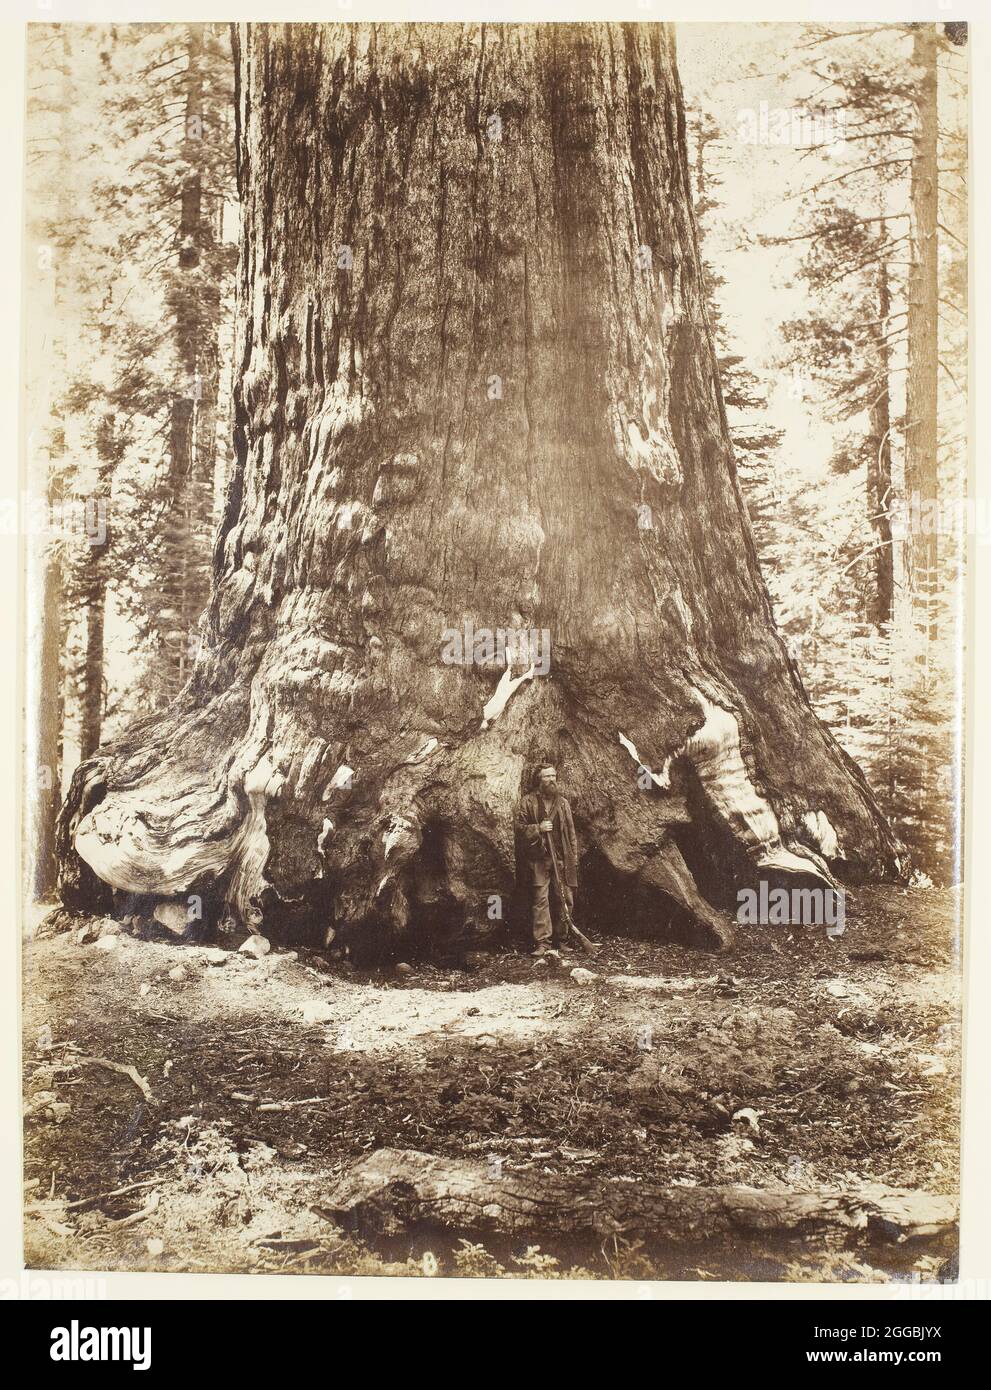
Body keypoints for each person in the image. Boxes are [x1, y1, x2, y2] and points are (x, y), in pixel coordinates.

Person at [515, 763, 579, 956]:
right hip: (539, 860)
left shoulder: (563, 803)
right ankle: (543, 943)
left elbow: (571, 833)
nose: (552, 780)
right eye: (547, 776)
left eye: (553, 776)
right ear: (539, 780)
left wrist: (573, 859)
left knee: (565, 899)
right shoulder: (528, 802)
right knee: (540, 900)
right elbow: (518, 828)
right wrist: (538, 828)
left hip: (561, 858)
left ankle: (563, 939)